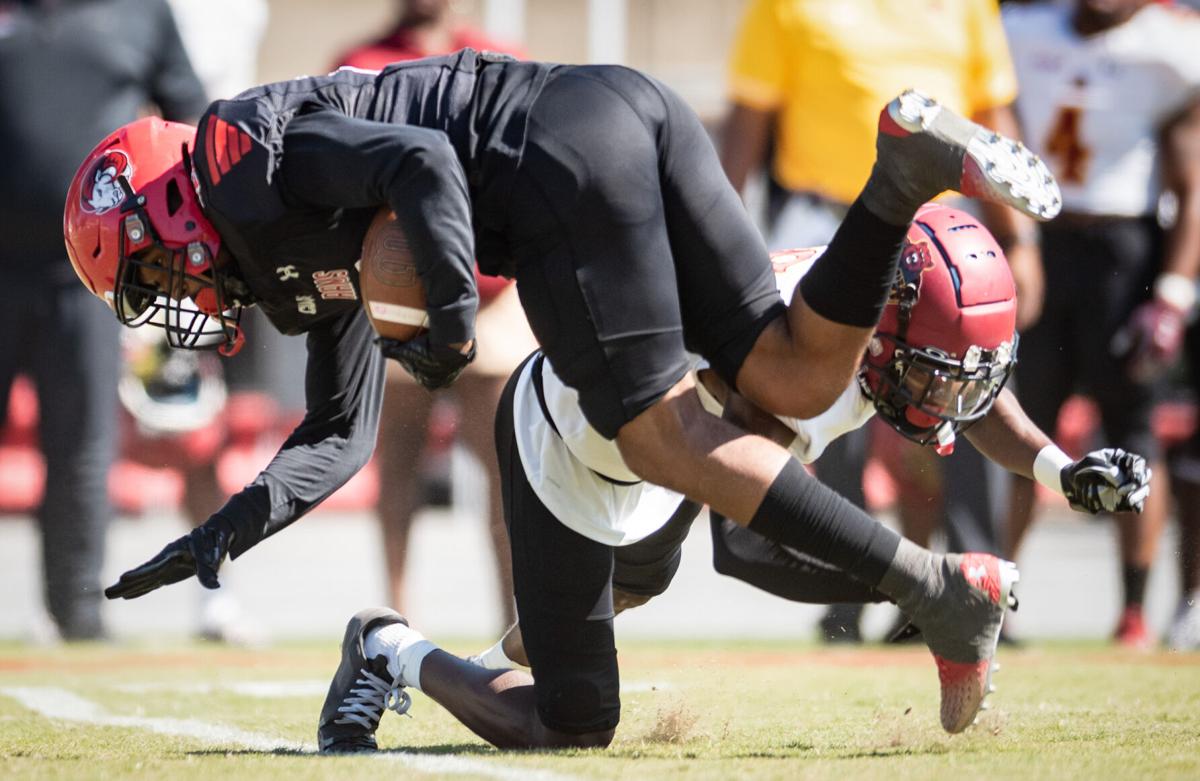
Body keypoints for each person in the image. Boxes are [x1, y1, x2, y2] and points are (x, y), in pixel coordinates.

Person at [68, 50, 1062, 740]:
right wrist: (222, 534)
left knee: (668, 439)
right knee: (791, 373)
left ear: (160, 208)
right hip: (625, 111)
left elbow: (420, 163)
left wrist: (455, 315)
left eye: (150, 277)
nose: (168, 302)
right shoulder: (274, 246)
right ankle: (895, 182)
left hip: (547, 161)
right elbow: (338, 430)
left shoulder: (243, 162)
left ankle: (931, 593)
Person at [317, 204, 1152, 751]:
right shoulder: (784, 336)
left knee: (591, 617)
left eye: (953, 375)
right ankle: (387, 645)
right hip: (573, 437)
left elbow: (978, 396)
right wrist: (926, 586)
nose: (948, 397)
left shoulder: (886, 322)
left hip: (675, 462)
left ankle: (466, 666)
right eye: (933, 372)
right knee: (573, 722)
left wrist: (1062, 468)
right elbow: (748, 543)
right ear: (881, 331)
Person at [719, 0, 1044, 643]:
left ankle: (971, 580)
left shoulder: (968, 6)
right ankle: (850, 588)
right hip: (824, 222)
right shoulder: (786, 6)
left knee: (961, 384)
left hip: (938, 236)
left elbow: (991, 119)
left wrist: (1023, 242)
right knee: (823, 412)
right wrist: (720, 248)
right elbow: (746, 125)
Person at [0, 0, 207, 641]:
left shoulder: (140, 12)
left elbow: (191, 124)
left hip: (88, 280)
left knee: (84, 448)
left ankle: (79, 612)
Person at [1001, 0, 1200, 648]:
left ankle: (1135, 609)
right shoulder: (1018, 31)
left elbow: (1194, 180)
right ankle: (994, 594)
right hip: (1037, 245)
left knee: (1134, 429)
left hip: (1124, 252)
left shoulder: (1172, 50)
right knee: (1011, 422)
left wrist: (1170, 292)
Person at [335, 0, 532, 627]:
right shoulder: (359, 68)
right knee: (396, 459)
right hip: (397, 295)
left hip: (490, 293)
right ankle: (393, 624)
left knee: (511, 464)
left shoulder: (500, 63)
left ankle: (517, 622)